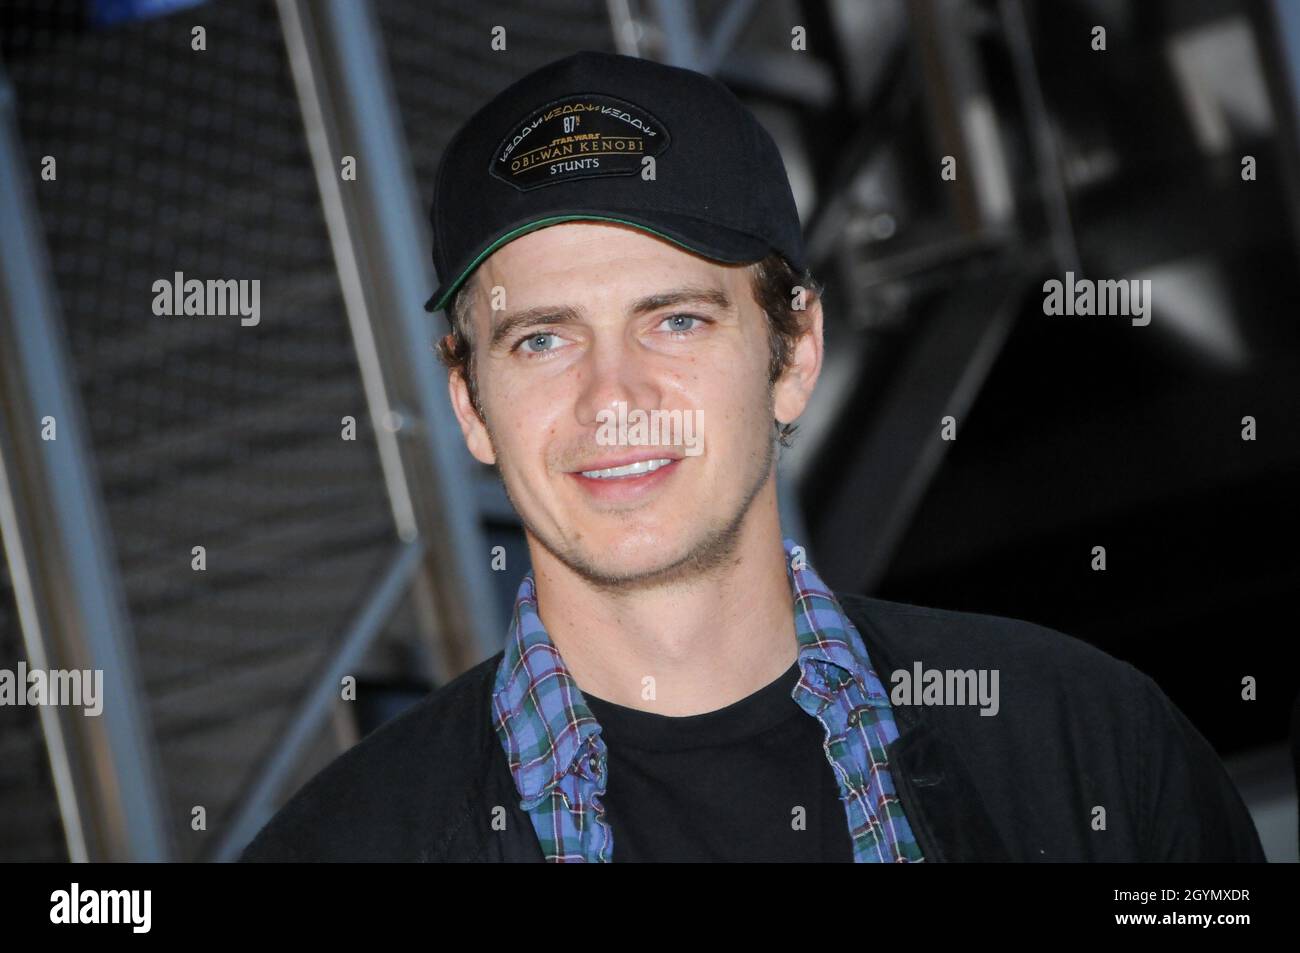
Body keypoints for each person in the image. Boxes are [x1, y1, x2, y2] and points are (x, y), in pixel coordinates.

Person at [240, 50, 1264, 862]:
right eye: (542, 338)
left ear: (793, 352)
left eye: (675, 320)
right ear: (469, 400)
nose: (614, 396)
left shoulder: (1087, 746)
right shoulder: (338, 846)